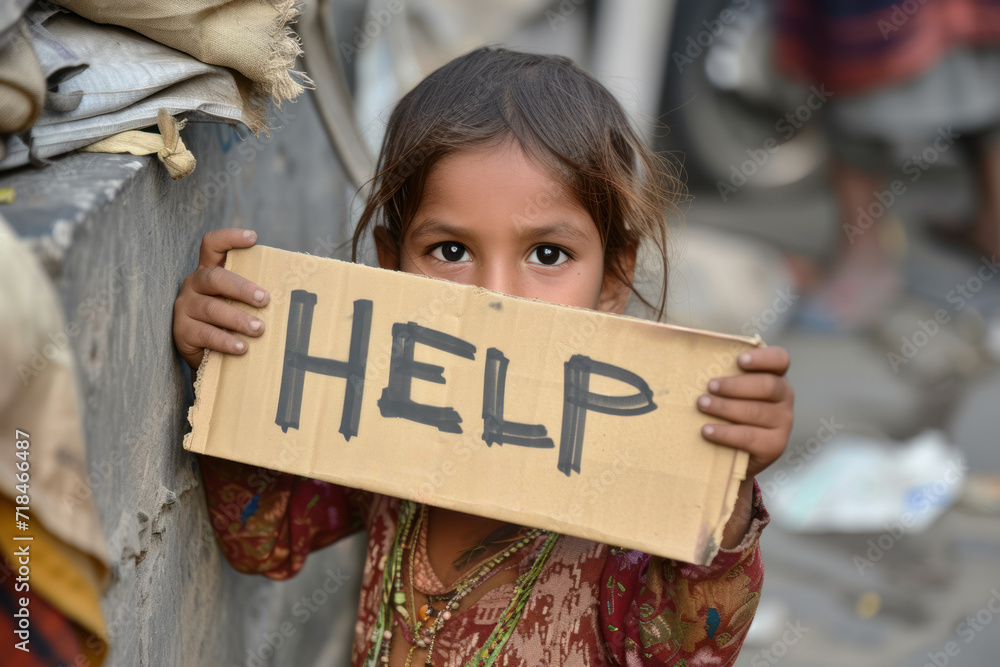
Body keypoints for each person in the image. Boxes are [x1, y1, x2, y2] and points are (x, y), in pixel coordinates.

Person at [171, 48, 794, 666]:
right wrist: (228, 364)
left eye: (547, 255)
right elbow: (263, 539)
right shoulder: (382, 419)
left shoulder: (623, 480)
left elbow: (687, 651)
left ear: (612, 280)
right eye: (450, 251)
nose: (496, 297)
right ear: (391, 265)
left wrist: (728, 490)